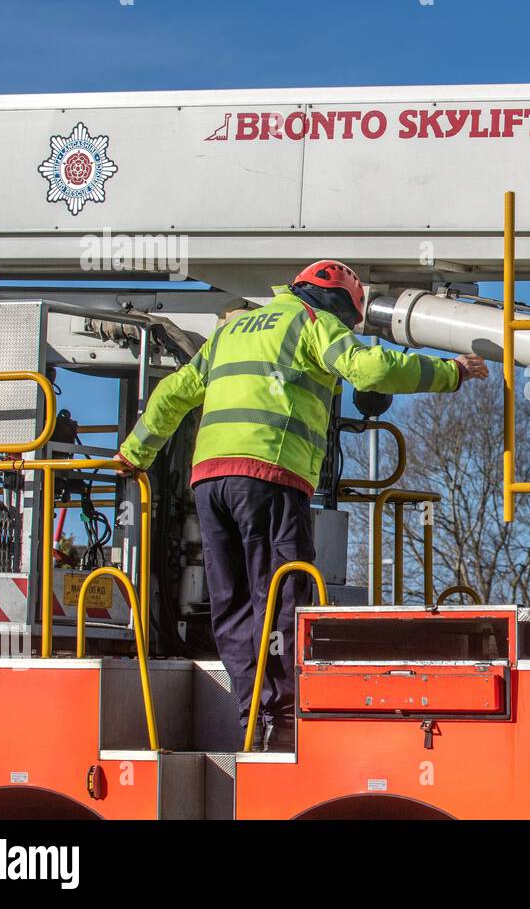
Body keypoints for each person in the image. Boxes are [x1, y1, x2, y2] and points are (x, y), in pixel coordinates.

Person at [115, 261, 488, 750]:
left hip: (209, 481)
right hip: (269, 473)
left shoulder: (231, 331)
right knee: (284, 593)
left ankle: (254, 710)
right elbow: (369, 368)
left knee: (231, 601)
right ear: (338, 301)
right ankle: (285, 715)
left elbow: (173, 393)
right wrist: (451, 373)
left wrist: (135, 452)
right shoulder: (312, 322)